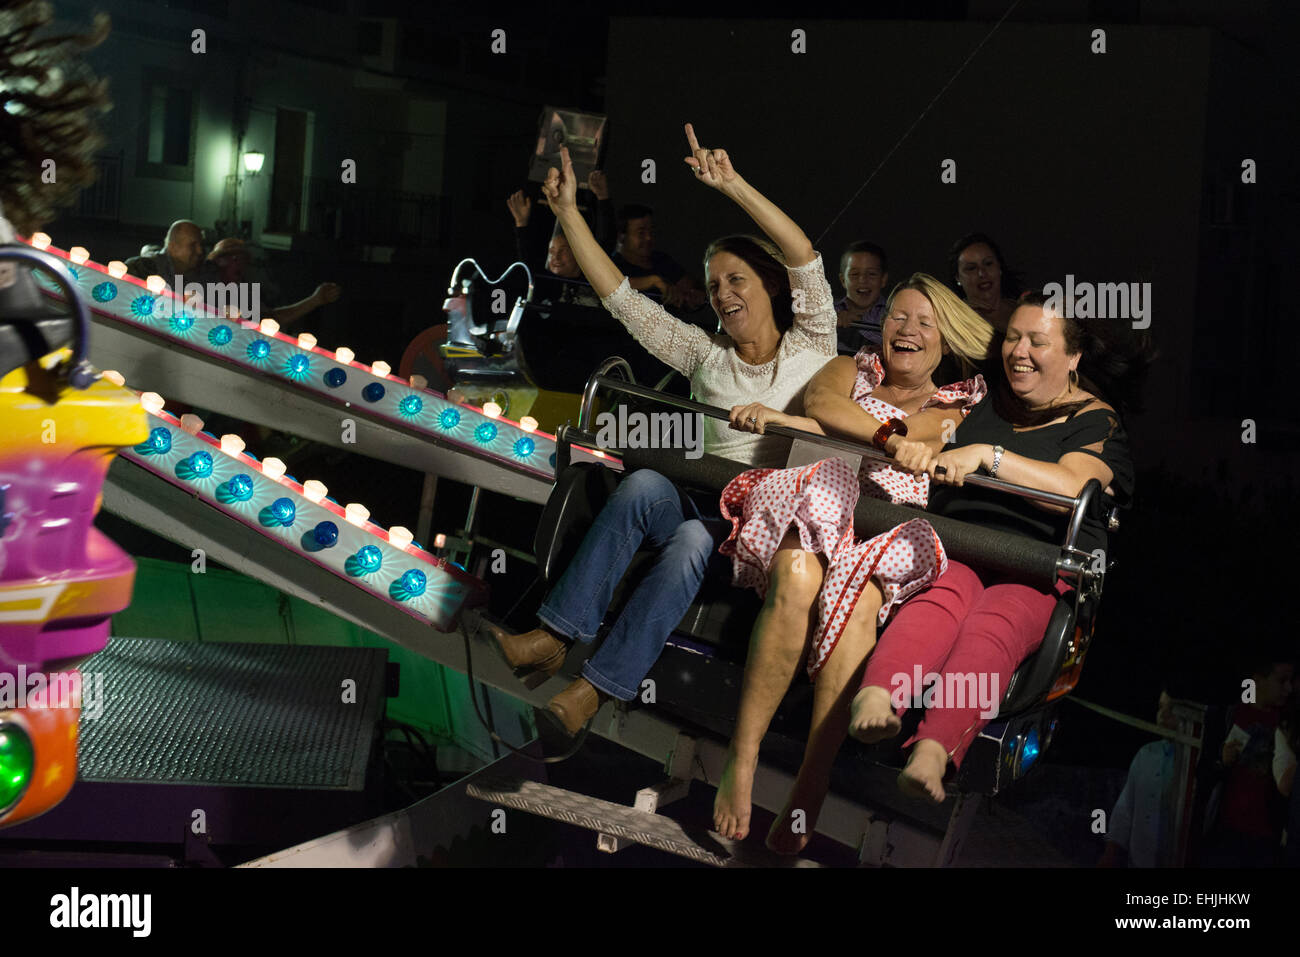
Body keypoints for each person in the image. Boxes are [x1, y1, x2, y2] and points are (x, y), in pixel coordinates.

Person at [481, 124, 838, 736]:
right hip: (703, 506)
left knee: (693, 544)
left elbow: (803, 255)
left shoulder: (813, 344)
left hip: (765, 533)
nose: (722, 293)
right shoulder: (705, 356)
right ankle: (552, 636)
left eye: (737, 280)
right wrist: (567, 212)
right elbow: (622, 299)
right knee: (645, 484)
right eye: (714, 282)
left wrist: (732, 185)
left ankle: (595, 691)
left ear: (770, 287)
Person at [711, 273, 992, 852]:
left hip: (880, 530)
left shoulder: (955, 405)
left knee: (861, 597)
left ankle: (811, 783)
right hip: (815, 508)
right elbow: (823, 405)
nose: (907, 330)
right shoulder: (851, 368)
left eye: (924, 322)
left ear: (945, 340)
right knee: (797, 572)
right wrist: (884, 438)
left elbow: (924, 434)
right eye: (897, 316)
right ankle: (743, 757)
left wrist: (858, 430)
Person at [848, 290, 1150, 804]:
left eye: (1038, 341)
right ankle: (878, 697)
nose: (1019, 351)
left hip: (1035, 566)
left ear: (1073, 358)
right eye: (1012, 337)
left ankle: (934, 750)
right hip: (963, 547)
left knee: (997, 623)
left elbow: (1075, 488)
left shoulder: (1097, 421)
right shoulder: (983, 400)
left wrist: (989, 457)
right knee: (940, 599)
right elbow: (911, 409)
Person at [1202, 654, 1294, 866]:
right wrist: (1221, 760)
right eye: (1281, 680)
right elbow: (1204, 771)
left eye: (1291, 681)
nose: (1288, 688)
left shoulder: (1288, 724)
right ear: (1258, 679)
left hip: (1268, 839)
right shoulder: (1229, 714)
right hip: (1226, 832)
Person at [1099, 688, 1183, 867]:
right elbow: (1125, 810)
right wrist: (1110, 855)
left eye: (1172, 709)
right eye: (1161, 707)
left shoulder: (1195, 764)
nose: (1163, 715)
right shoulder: (1146, 754)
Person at [201, 238, 341, 325]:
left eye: (245, 261)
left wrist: (315, 300)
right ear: (217, 261)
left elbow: (272, 318)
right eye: (235, 259)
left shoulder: (244, 296)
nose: (241, 265)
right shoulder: (201, 285)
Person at [612, 203, 707, 311]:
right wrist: (654, 281)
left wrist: (695, 295)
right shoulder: (613, 264)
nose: (648, 238)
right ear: (621, 237)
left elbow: (690, 286)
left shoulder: (661, 260)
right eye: (641, 233)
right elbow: (612, 285)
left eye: (651, 231)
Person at [949, 232, 1020, 332]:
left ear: (999, 267)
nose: (982, 273)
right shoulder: (951, 321)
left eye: (988, 263)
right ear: (958, 278)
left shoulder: (1022, 309)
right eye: (971, 268)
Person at [835, 241, 890, 355]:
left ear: (883, 279)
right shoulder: (825, 311)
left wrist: (855, 328)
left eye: (871, 274)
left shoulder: (893, 316)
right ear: (843, 280)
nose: (863, 280)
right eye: (854, 274)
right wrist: (829, 322)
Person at [125, 219, 204, 286]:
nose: (200, 251)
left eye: (200, 245)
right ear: (173, 247)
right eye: (193, 245)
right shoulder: (143, 268)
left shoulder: (194, 274)